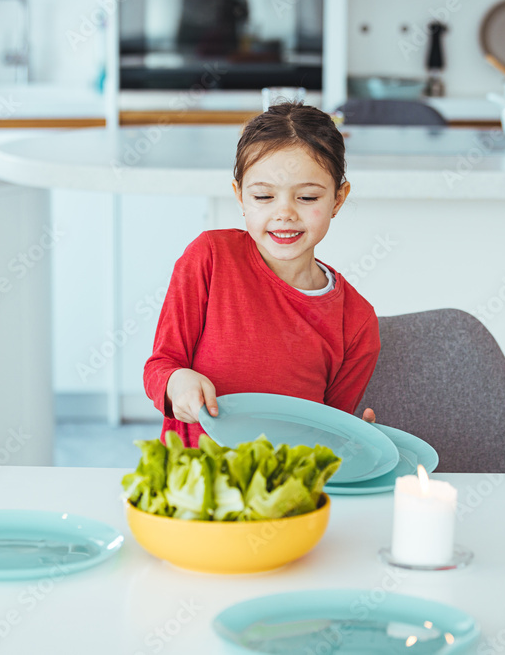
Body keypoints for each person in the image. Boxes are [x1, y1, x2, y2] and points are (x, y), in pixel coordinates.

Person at [143, 102, 380, 447]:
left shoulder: (357, 322)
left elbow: (330, 435)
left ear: (338, 200)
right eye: (264, 196)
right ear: (240, 196)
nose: (284, 213)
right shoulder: (209, 258)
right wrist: (176, 382)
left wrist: (354, 441)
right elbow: (160, 366)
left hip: (286, 489)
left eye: (307, 196)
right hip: (194, 478)